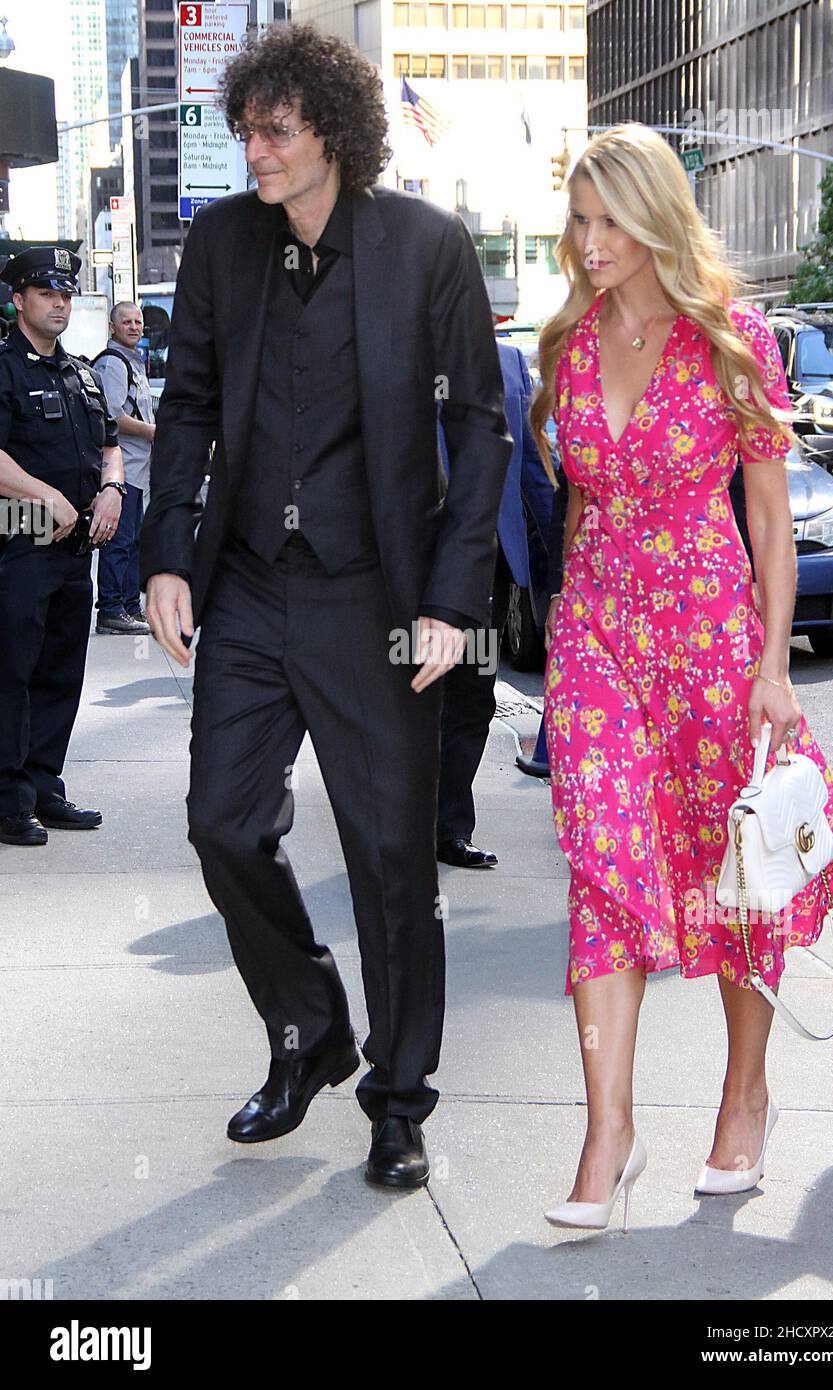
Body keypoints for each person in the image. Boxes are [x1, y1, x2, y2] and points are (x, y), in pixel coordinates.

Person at [139, 23, 511, 1188]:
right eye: (246, 128)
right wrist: (166, 558)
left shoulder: (426, 248)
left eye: (276, 132)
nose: (255, 149)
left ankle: (397, 1101)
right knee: (221, 822)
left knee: (393, 858)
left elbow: (477, 430)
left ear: (332, 135)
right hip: (251, 585)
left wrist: (455, 601)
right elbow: (189, 405)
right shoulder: (220, 245)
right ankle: (310, 1026)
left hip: (382, 598)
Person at [529, 124, 833, 1230]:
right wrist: (560, 621)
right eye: (578, 222)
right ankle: (609, 1134)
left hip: (711, 639)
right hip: (597, 635)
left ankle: (744, 1096)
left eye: (607, 221)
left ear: (655, 219)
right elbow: (580, 502)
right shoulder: (570, 342)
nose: (588, 243)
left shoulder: (733, 338)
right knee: (601, 857)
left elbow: (772, 522)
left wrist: (774, 667)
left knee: (735, 872)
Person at [0, 247, 124, 846]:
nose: (59, 303)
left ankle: (45, 787)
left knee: (60, 673)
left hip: (76, 548)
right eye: (47, 293)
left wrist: (112, 490)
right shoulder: (4, 366)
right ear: (19, 299)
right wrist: (43, 493)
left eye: (66, 295)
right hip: (19, 543)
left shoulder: (80, 371)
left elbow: (108, 444)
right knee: (12, 674)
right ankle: (8, 800)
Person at [437, 336, 553, 868]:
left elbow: (531, 466)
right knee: (411, 698)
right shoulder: (388, 343)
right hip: (411, 565)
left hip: (482, 567)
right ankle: (400, 829)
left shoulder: (507, 361)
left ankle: (449, 830)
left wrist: (560, 564)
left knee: (472, 697)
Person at [91, 301, 155, 634]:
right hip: (122, 469)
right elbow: (112, 415)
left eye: (138, 322)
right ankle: (112, 610)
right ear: (112, 328)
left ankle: (130, 606)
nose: (133, 327)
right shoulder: (113, 363)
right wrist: (153, 432)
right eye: (126, 322)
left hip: (137, 468)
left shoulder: (134, 362)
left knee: (132, 541)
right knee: (118, 541)